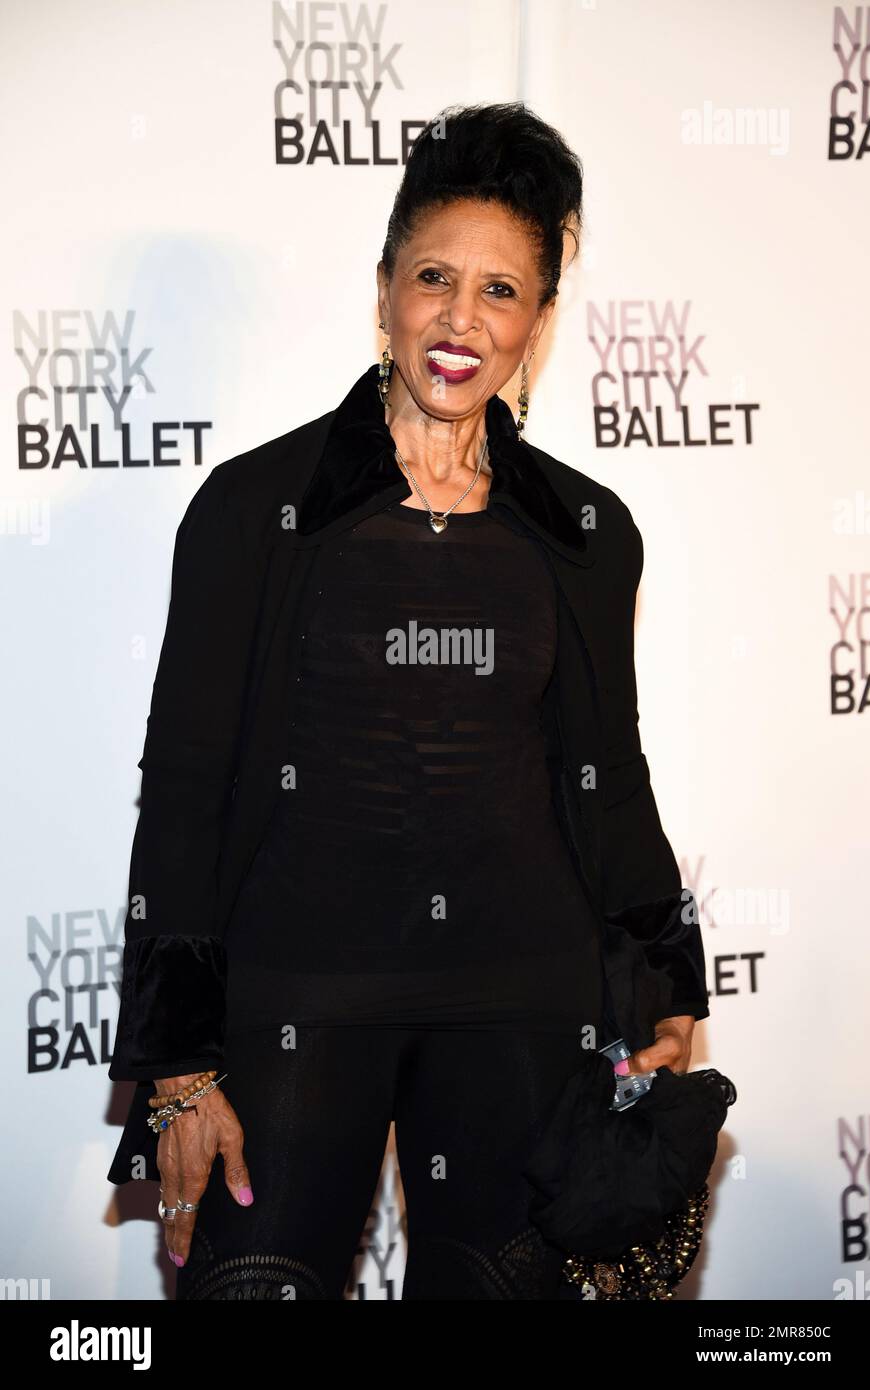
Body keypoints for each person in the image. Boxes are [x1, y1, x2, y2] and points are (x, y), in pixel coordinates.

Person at [106, 102, 710, 1300]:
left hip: (519, 1000)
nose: (460, 319)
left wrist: (660, 985)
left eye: (501, 291)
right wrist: (178, 1064)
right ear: (383, 288)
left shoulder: (586, 533)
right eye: (435, 276)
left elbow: (606, 770)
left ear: (537, 322)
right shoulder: (252, 511)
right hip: (296, 999)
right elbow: (183, 787)